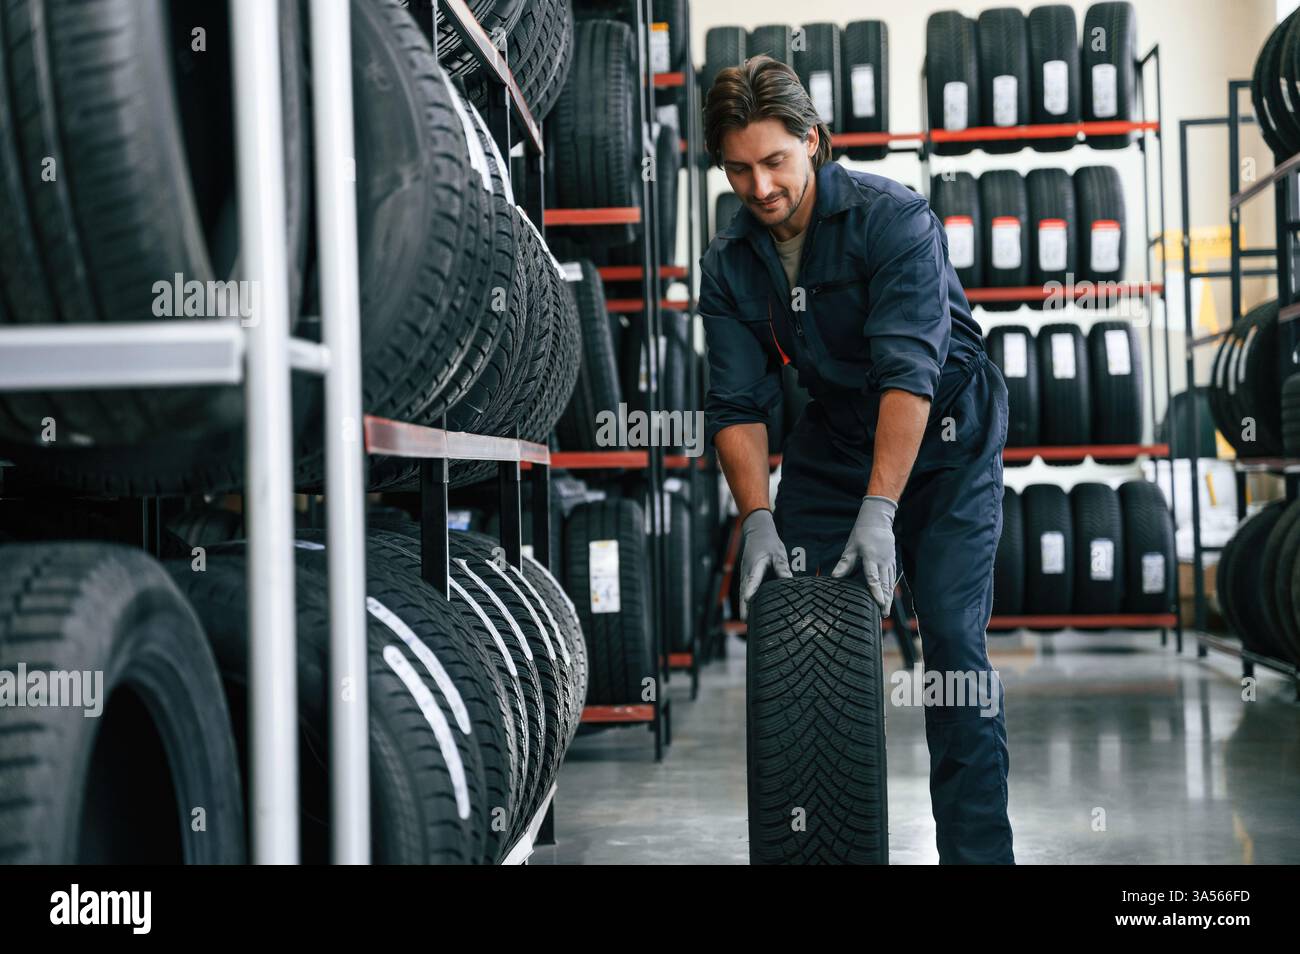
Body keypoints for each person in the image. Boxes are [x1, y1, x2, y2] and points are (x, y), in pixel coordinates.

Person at [700, 55, 1014, 864]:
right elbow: (738, 403)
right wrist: (759, 518)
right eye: (738, 168)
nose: (760, 186)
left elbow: (908, 372)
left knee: (949, 639)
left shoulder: (894, 218)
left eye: (775, 161)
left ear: (814, 141)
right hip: (837, 432)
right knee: (796, 612)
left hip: (946, 428)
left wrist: (881, 512)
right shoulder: (732, 259)